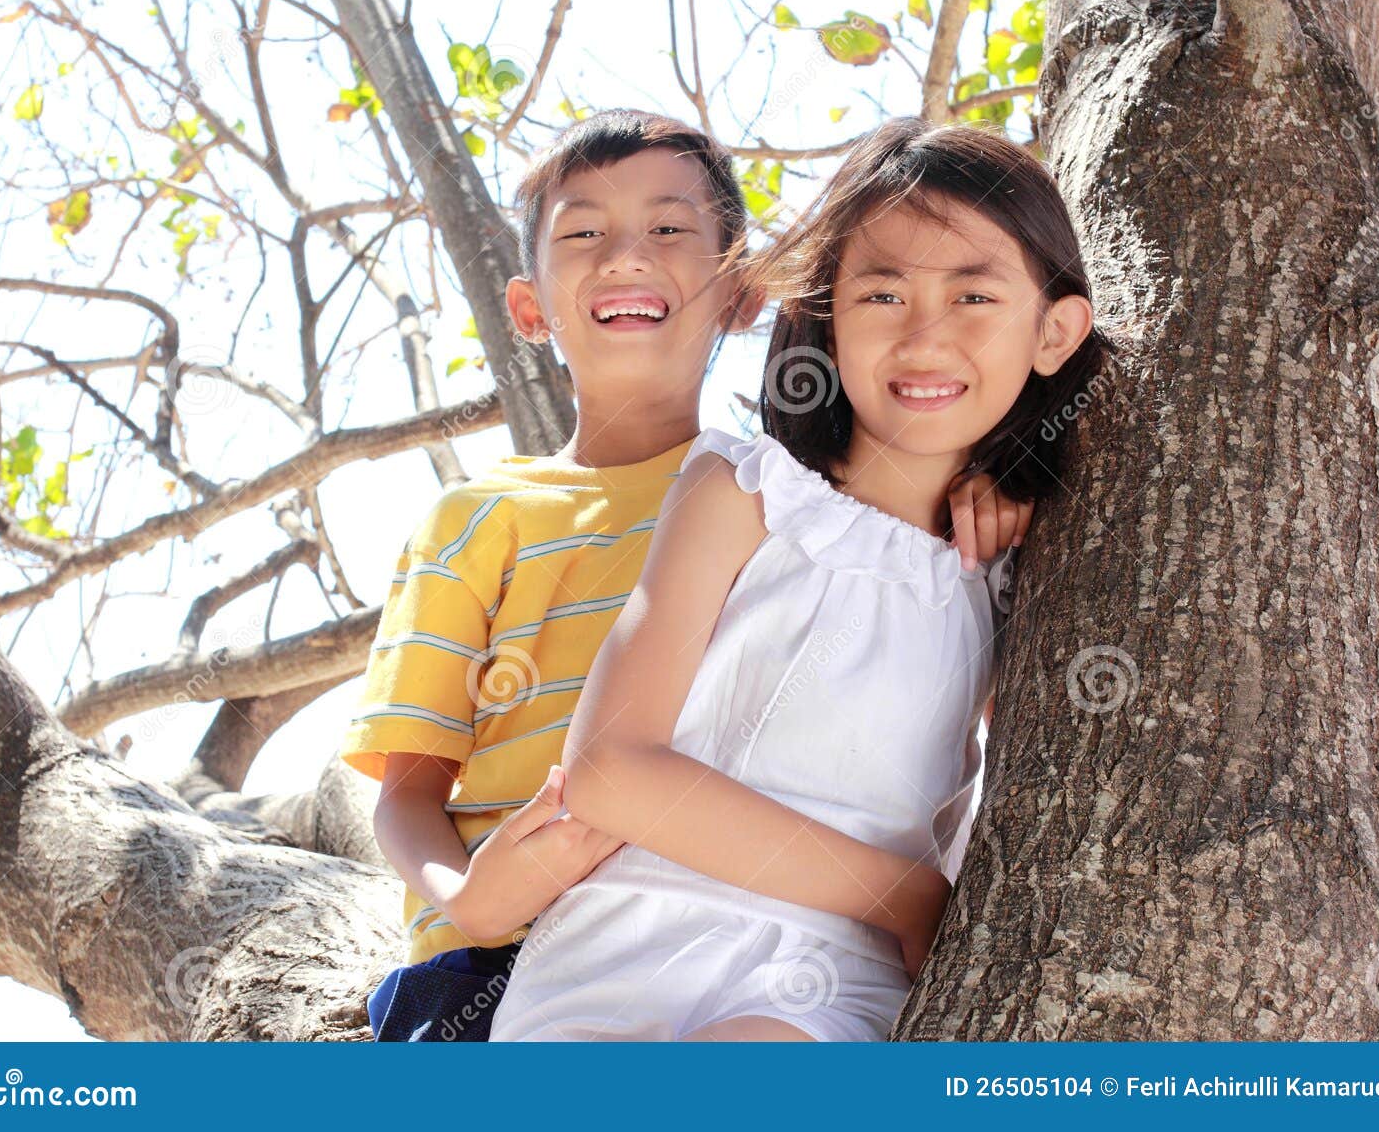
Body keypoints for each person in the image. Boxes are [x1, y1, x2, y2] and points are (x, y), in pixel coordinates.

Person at [487, 118, 1379, 1043]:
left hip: (836, 984)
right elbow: (612, 771)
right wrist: (900, 891)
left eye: (976, 295)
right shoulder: (744, 491)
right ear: (825, 316)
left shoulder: (1017, 576)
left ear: (1056, 332)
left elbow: (1128, 793)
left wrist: (1363, 782)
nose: (925, 333)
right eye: (882, 293)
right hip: (635, 940)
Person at [340, 110, 1032, 1041]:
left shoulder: (790, 497)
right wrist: (467, 897)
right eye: (583, 233)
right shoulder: (481, 516)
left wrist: (979, 485)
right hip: (506, 953)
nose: (627, 255)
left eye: (670, 229)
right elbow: (407, 788)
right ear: (530, 307)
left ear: (743, 291)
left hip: (770, 926)